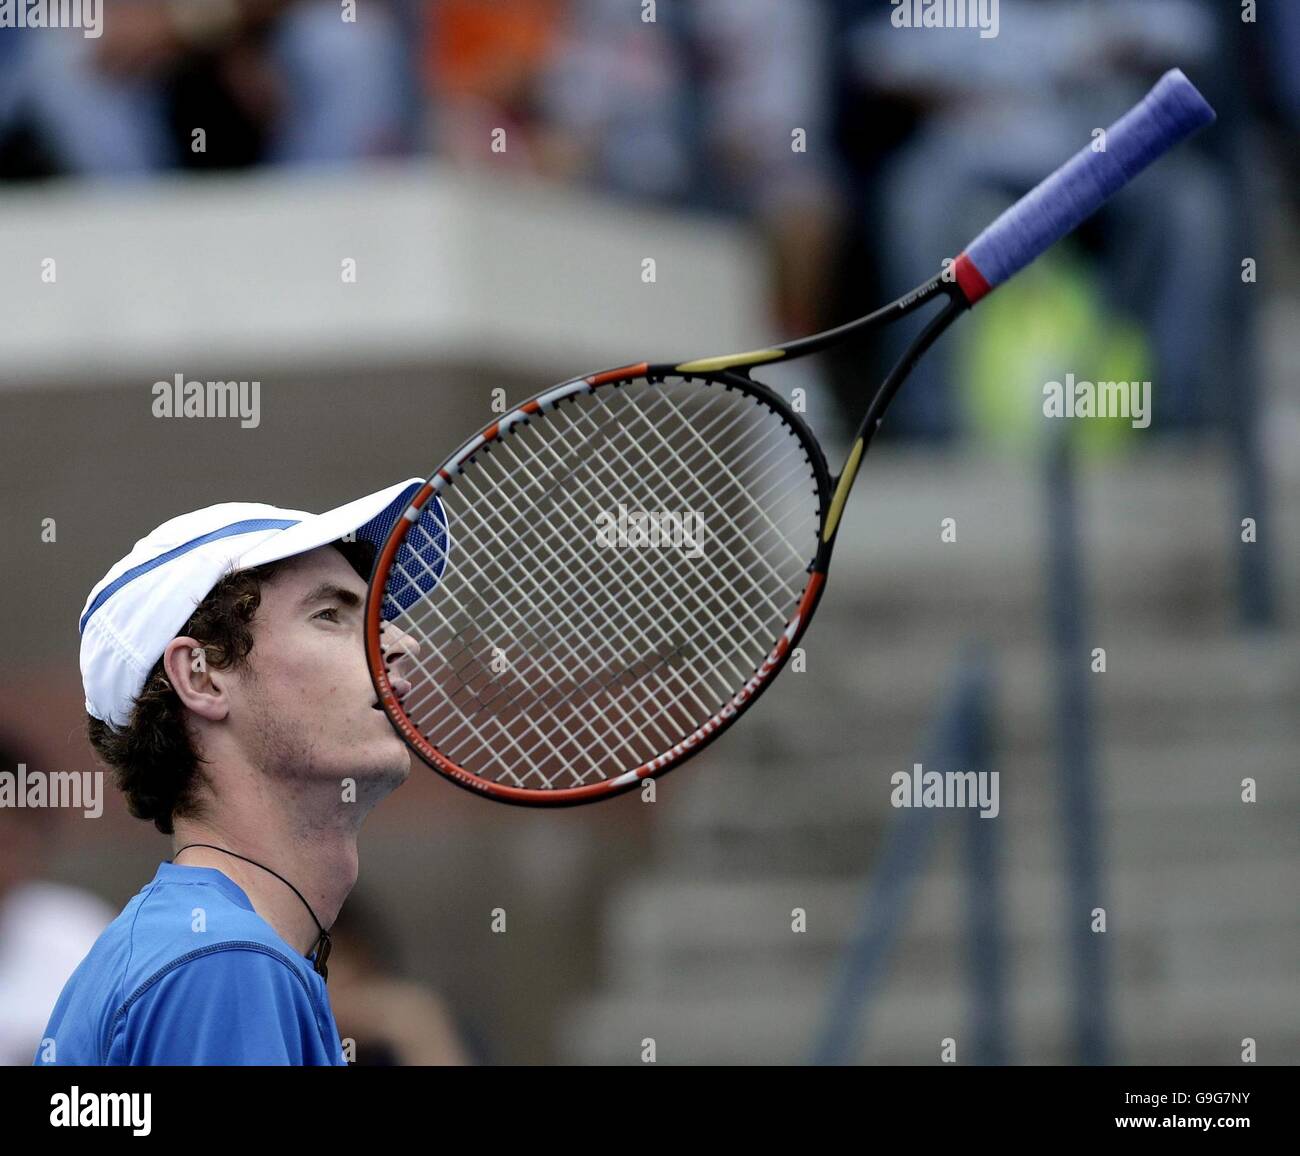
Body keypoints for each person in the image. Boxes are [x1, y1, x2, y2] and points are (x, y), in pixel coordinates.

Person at [34, 478, 448, 1065]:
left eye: (381, 613)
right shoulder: (223, 965)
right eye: (331, 614)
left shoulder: (204, 953)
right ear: (201, 675)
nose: (402, 642)